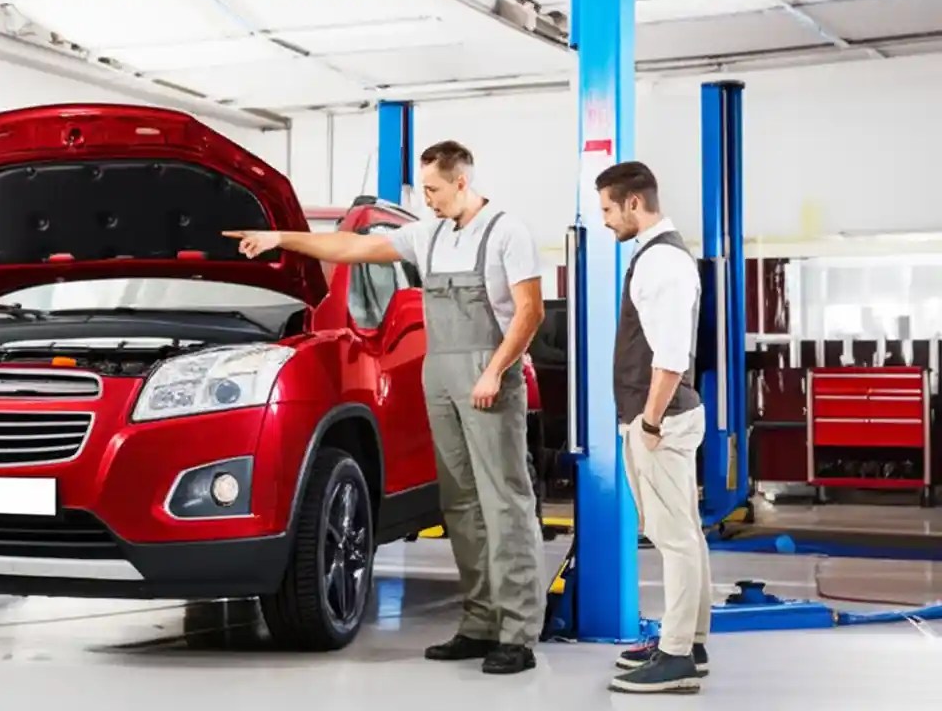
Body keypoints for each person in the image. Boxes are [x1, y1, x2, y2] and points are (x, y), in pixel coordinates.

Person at [225, 140, 546, 675]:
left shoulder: (505, 232)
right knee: (461, 505)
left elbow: (530, 311)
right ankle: (479, 623)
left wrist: (494, 371)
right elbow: (354, 249)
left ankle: (517, 632)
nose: (430, 200)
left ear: (462, 181)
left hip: (487, 373)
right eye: (425, 191)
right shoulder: (433, 234)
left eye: (435, 191)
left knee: (504, 502)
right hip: (439, 373)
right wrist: (281, 238)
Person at [594, 161, 711, 695]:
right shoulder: (662, 255)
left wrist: (648, 423)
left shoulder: (659, 262)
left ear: (634, 203)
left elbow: (668, 358)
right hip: (667, 417)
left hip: (660, 420)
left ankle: (676, 655)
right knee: (684, 532)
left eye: (607, 210)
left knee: (674, 538)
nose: (605, 221)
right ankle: (692, 639)